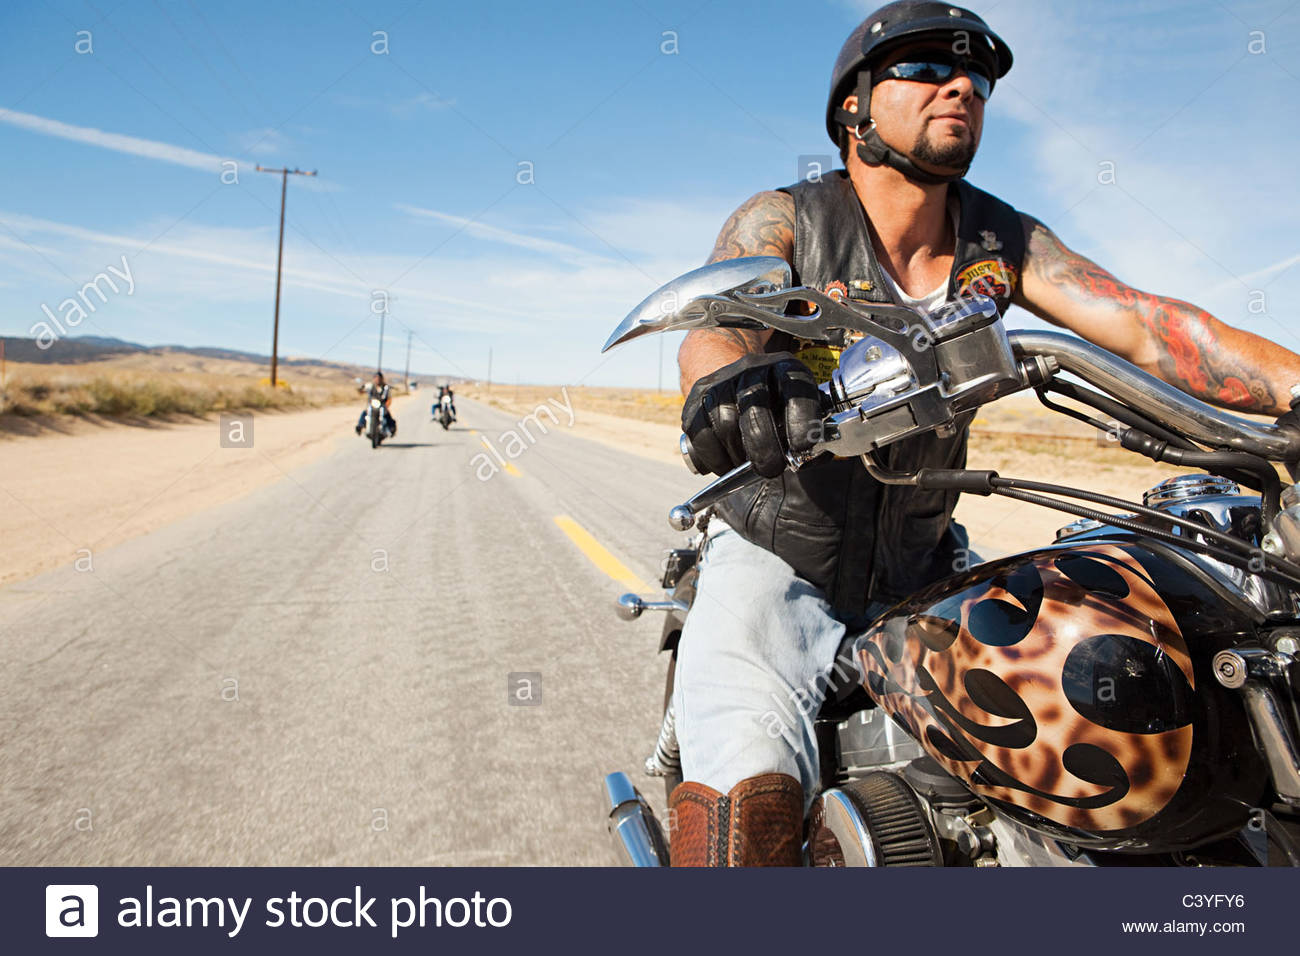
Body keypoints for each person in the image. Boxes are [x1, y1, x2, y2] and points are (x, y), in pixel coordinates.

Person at [669, 0, 1300, 866]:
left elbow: (1148, 327)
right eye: (924, 68)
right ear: (853, 106)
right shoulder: (791, 219)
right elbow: (718, 320)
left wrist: (1294, 390)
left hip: (924, 557)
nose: (959, 84)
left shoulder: (1001, 240)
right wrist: (730, 382)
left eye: (972, 76)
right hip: (780, 557)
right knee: (752, 803)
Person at [356, 371, 396, 437]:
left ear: (382, 379)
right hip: (372, 405)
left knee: (388, 416)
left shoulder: (385, 388)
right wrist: (361, 389)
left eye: (379, 378)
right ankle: (360, 426)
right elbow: (363, 389)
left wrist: (386, 406)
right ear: (374, 379)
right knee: (364, 413)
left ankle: (391, 429)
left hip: (382, 406)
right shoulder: (370, 386)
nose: (378, 380)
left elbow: (389, 398)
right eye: (376, 378)